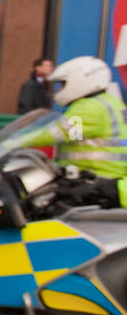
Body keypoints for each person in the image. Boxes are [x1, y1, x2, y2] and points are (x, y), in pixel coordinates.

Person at [22, 56, 127, 207]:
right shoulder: (111, 103)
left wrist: (15, 141)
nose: (59, 90)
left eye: (63, 84)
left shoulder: (89, 107)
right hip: (106, 181)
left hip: (95, 183)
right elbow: (75, 137)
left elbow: (57, 132)